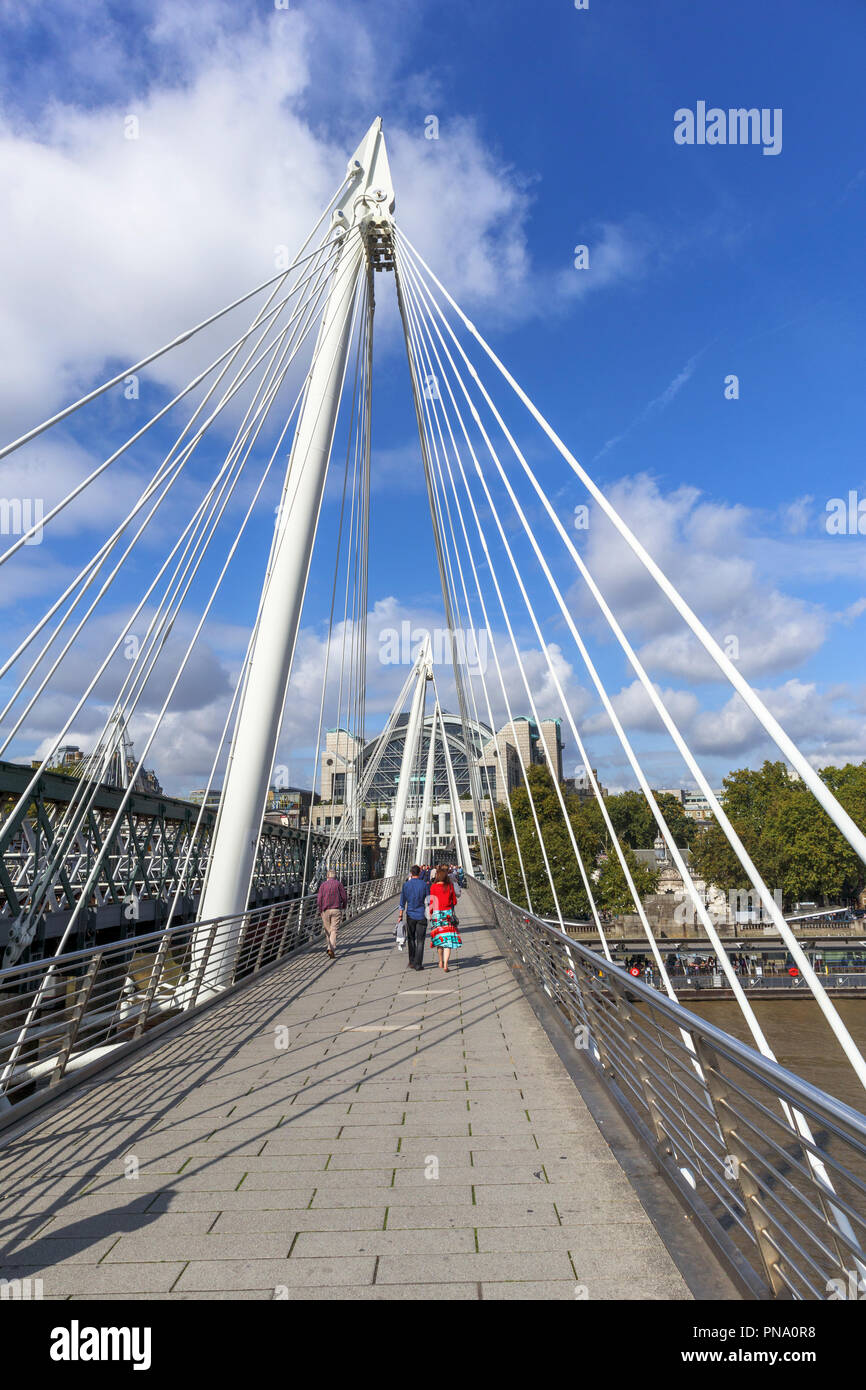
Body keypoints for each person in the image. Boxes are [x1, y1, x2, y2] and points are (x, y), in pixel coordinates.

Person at [428, 864, 461, 972]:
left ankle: (441, 961)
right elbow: (454, 901)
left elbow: (432, 902)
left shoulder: (433, 887)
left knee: (439, 939)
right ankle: (446, 964)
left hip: (437, 915)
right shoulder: (450, 886)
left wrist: (430, 913)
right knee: (448, 940)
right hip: (447, 915)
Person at [398, 865, 428, 971]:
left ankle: (412, 961)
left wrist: (400, 916)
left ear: (411, 873)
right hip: (422, 915)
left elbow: (402, 902)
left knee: (411, 939)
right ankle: (418, 964)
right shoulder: (424, 885)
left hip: (410, 915)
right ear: (419, 873)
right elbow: (428, 900)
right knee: (421, 940)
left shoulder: (406, 885)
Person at [317, 868, 347, 960]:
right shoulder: (339, 884)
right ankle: (331, 948)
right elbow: (344, 897)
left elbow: (319, 900)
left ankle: (329, 947)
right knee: (334, 930)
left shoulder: (323, 885)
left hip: (325, 910)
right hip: (336, 909)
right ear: (335, 876)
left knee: (327, 930)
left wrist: (320, 910)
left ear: (327, 876)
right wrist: (344, 906)